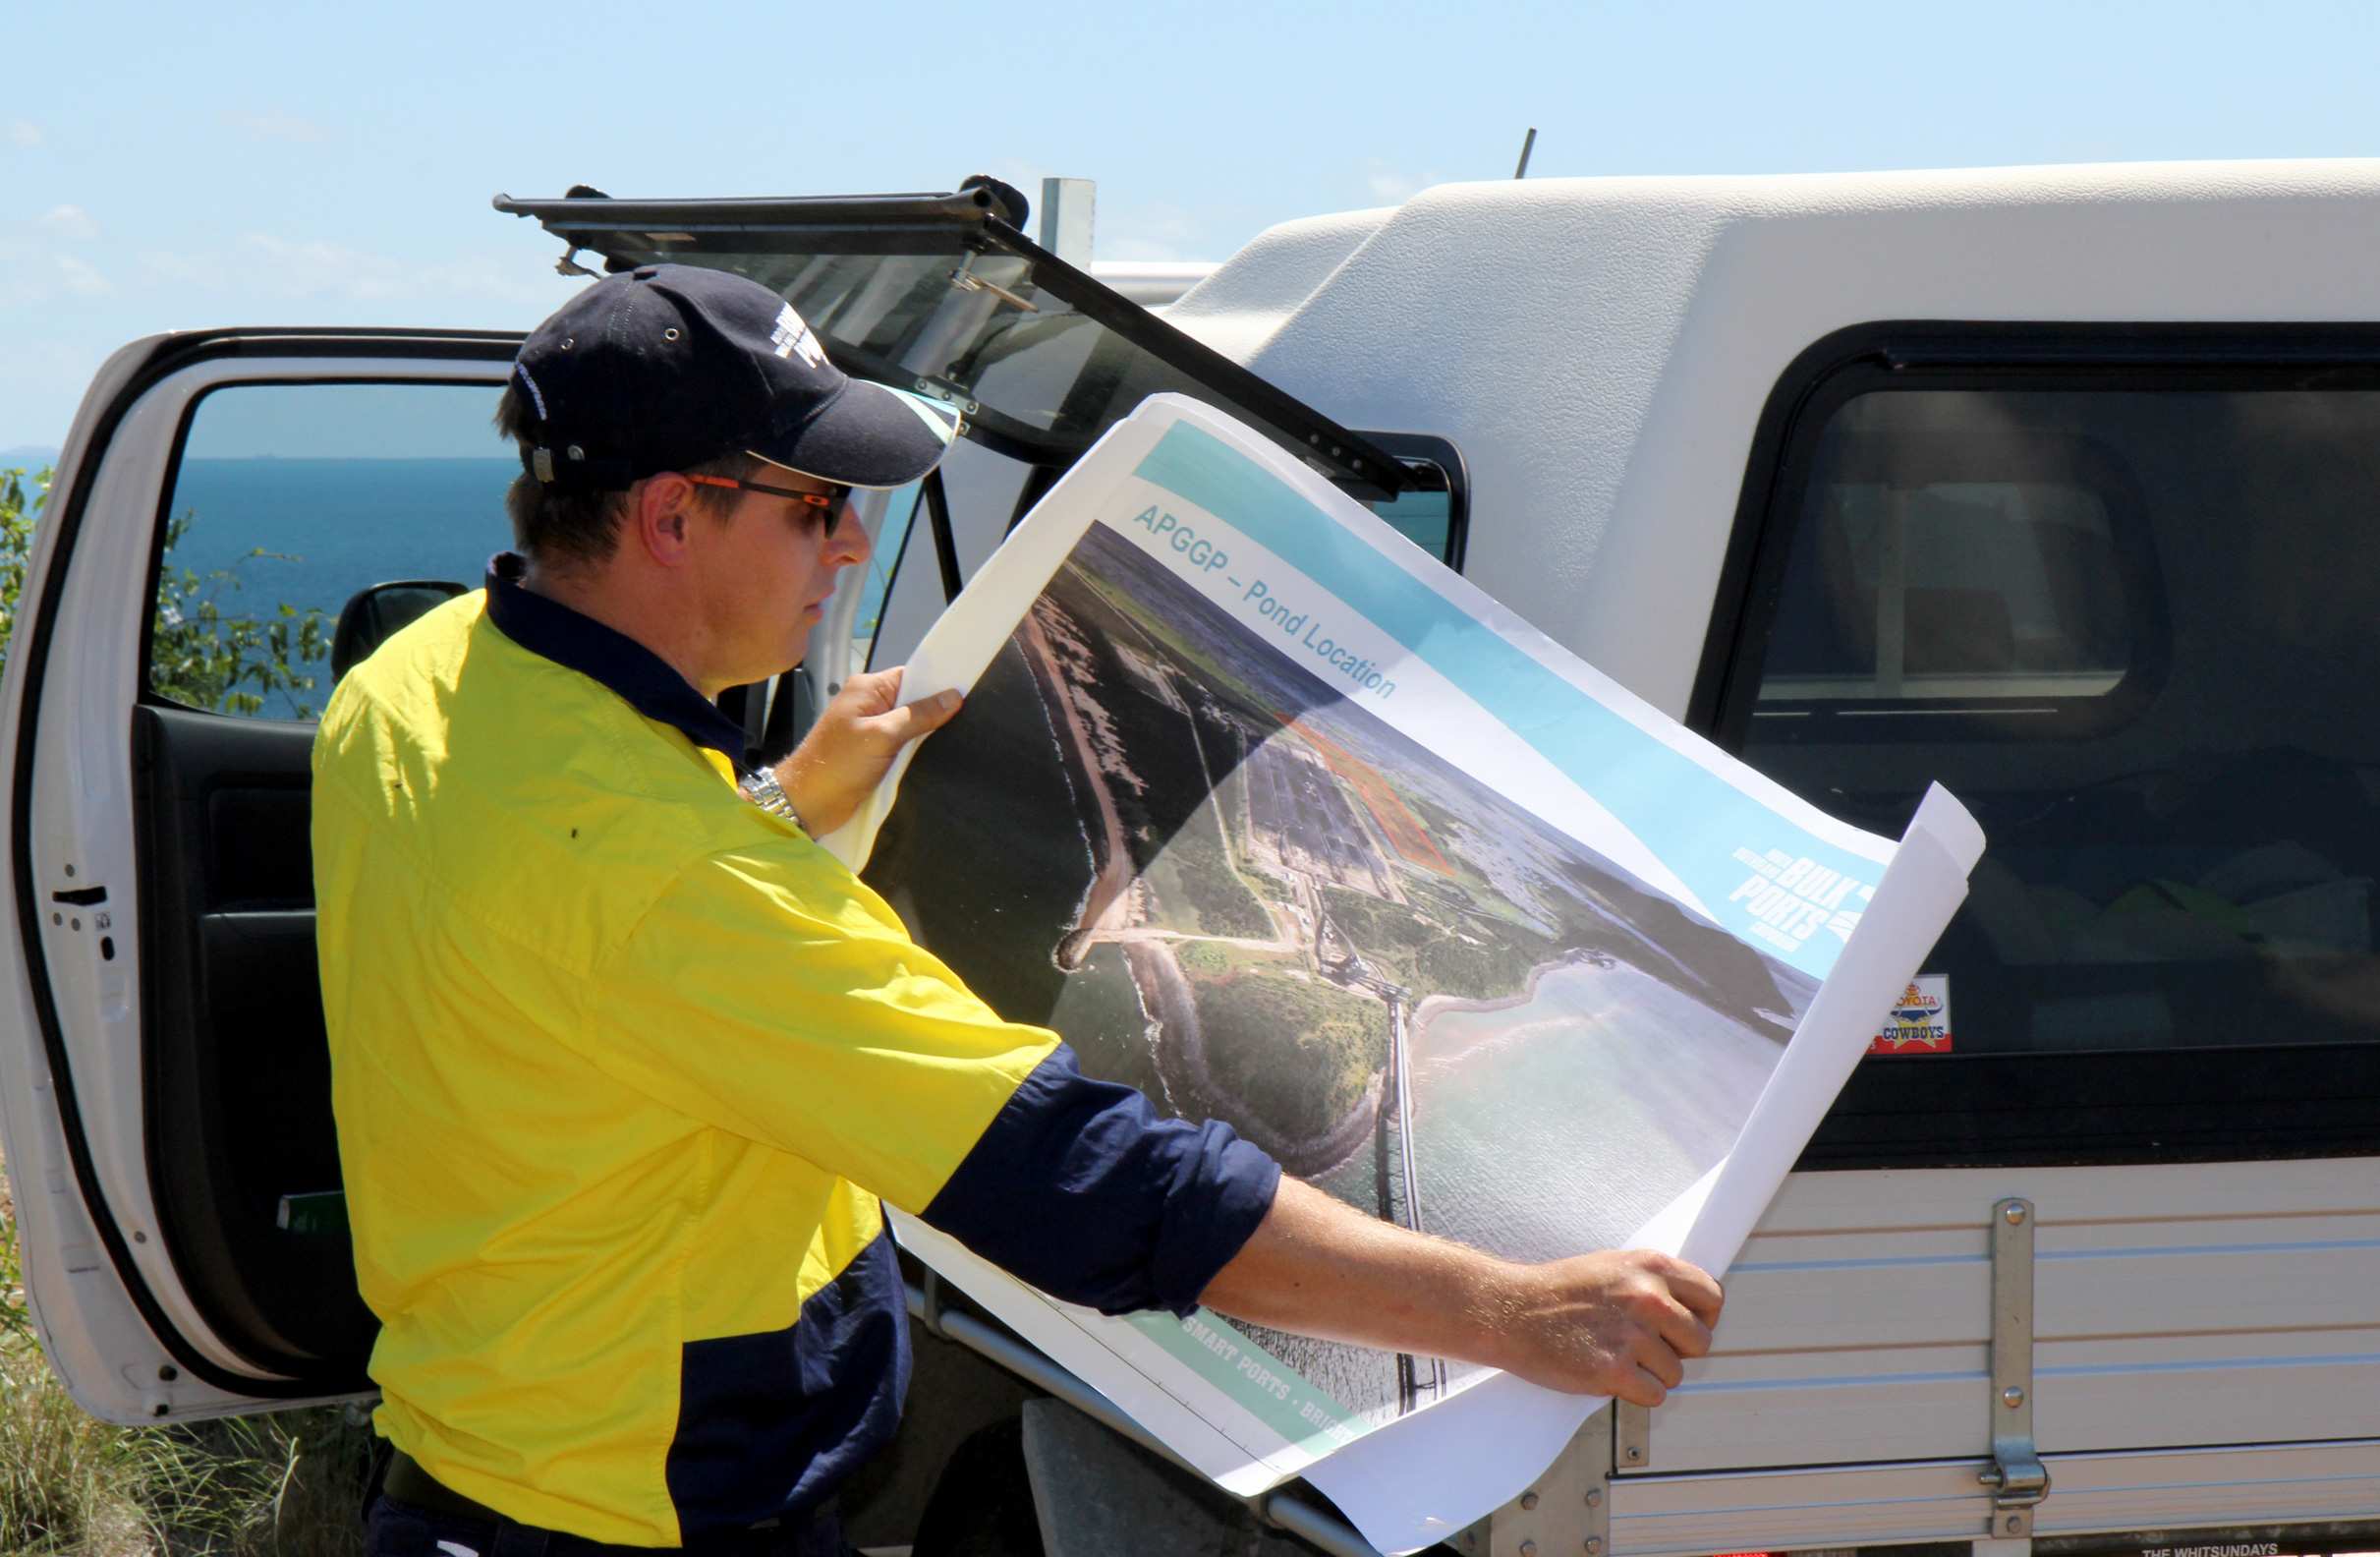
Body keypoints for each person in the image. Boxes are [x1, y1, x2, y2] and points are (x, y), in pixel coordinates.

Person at [312, 263, 1722, 1557]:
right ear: (673, 514)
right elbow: (1077, 1175)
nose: (852, 547)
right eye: (814, 505)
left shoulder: (421, 682)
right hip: (643, 1520)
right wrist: (1510, 1313)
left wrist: (796, 796)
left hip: (472, 1461)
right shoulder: (673, 879)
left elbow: (558, 951)